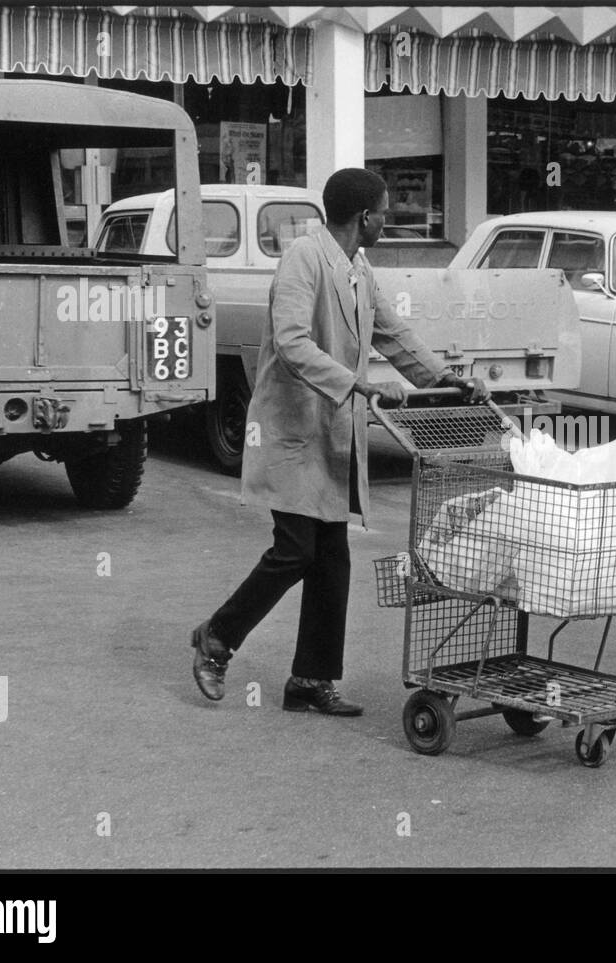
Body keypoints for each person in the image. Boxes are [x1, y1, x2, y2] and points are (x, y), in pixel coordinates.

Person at [189, 168, 487, 715]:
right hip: (290, 431)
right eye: (384, 213)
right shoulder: (306, 258)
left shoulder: (358, 266)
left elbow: (394, 335)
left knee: (332, 559)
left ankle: (310, 679)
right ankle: (216, 638)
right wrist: (357, 384)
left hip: (329, 434)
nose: (386, 221)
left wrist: (445, 378)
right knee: (295, 551)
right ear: (362, 217)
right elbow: (292, 341)